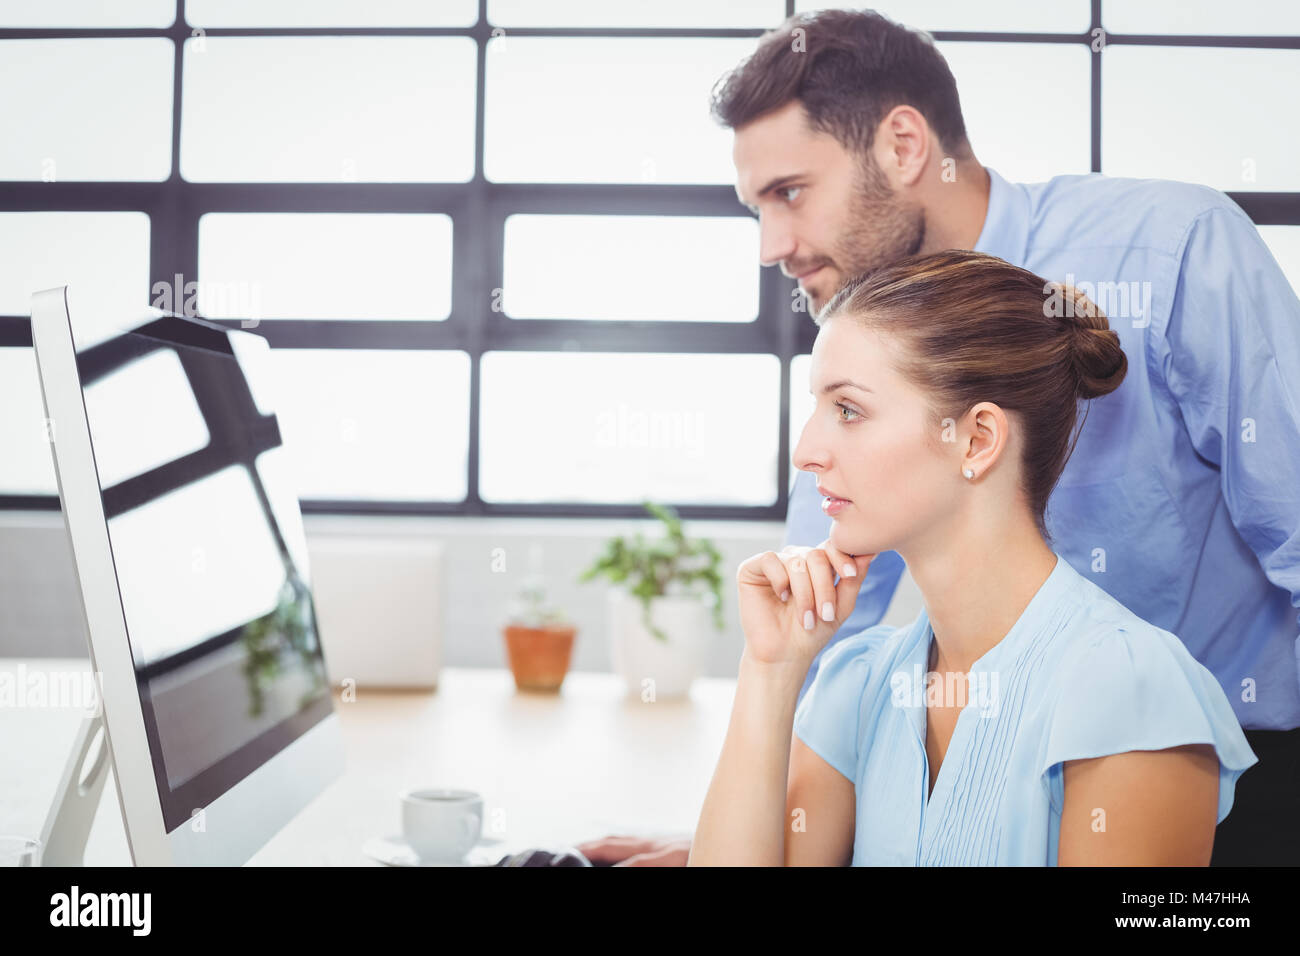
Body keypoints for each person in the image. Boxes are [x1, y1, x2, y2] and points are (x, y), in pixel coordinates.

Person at [579, 6, 1300, 867]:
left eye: (790, 192)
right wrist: (755, 823)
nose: (772, 247)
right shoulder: (869, 344)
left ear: (905, 146)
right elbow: (825, 607)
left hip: (1223, 760)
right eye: (755, 208)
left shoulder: (1170, 251)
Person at [689, 248, 1257, 865]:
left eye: (848, 410)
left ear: (978, 440)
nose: (806, 451)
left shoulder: (1130, 690)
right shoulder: (857, 682)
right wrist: (770, 670)